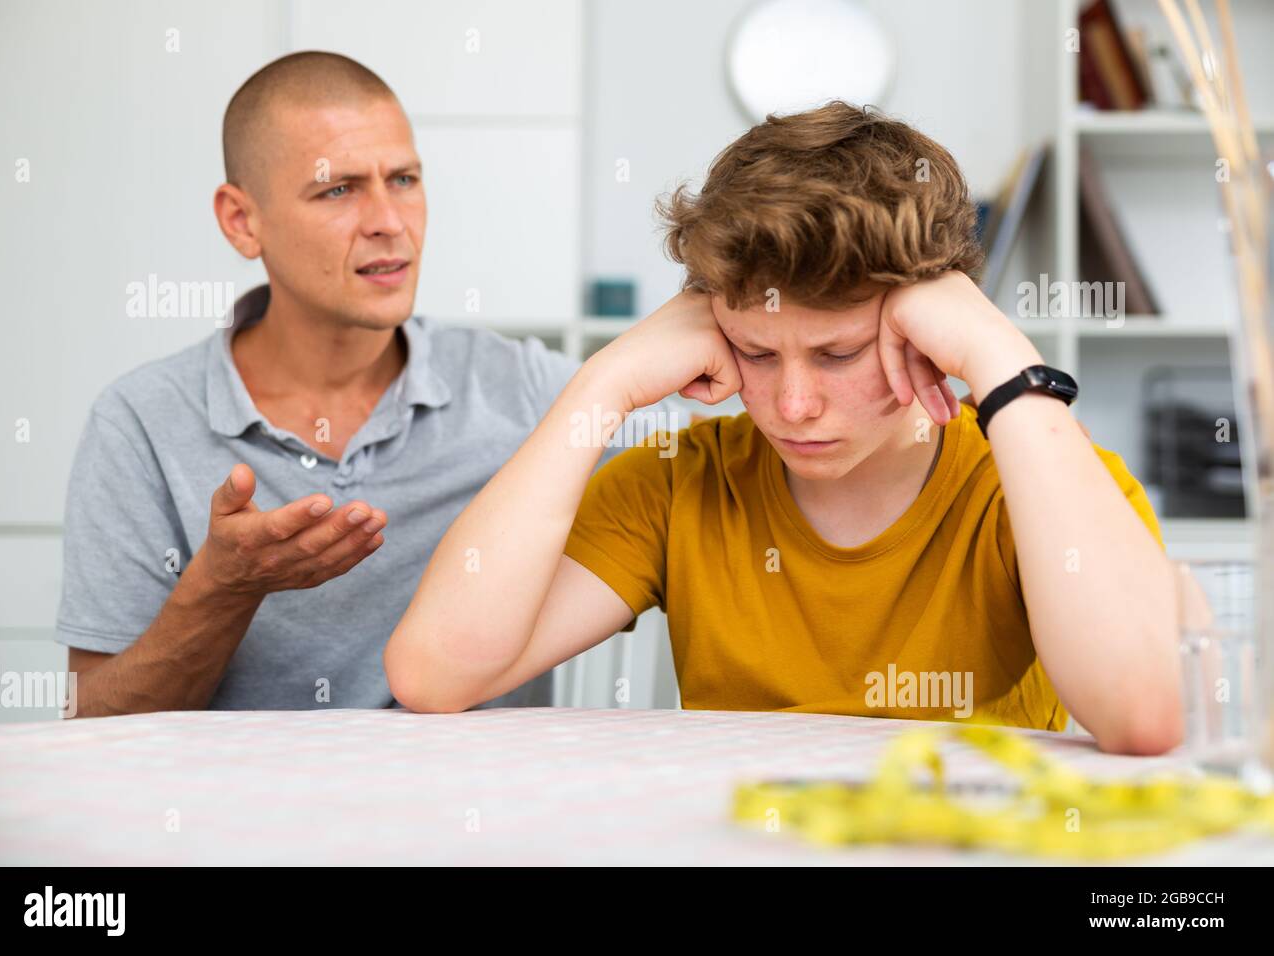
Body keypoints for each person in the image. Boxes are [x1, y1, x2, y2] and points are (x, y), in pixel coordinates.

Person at [386, 102, 1183, 756]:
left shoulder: (1044, 477)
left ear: (930, 334)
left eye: (838, 354)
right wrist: (605, 382)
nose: (793, 405)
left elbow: (1144, 716)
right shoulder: (676, 481)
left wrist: (1004, 361)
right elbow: (433, 674)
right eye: (756, 352)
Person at [56, 51, 683, 716]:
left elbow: (739, 471)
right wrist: (222, 589)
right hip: (242, 816)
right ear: (243, 222)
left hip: (479, 813)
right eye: (338, 189)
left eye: (405, 179)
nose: (389, 220)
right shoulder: (142, 421)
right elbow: (96, 722)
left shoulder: (524, 389)